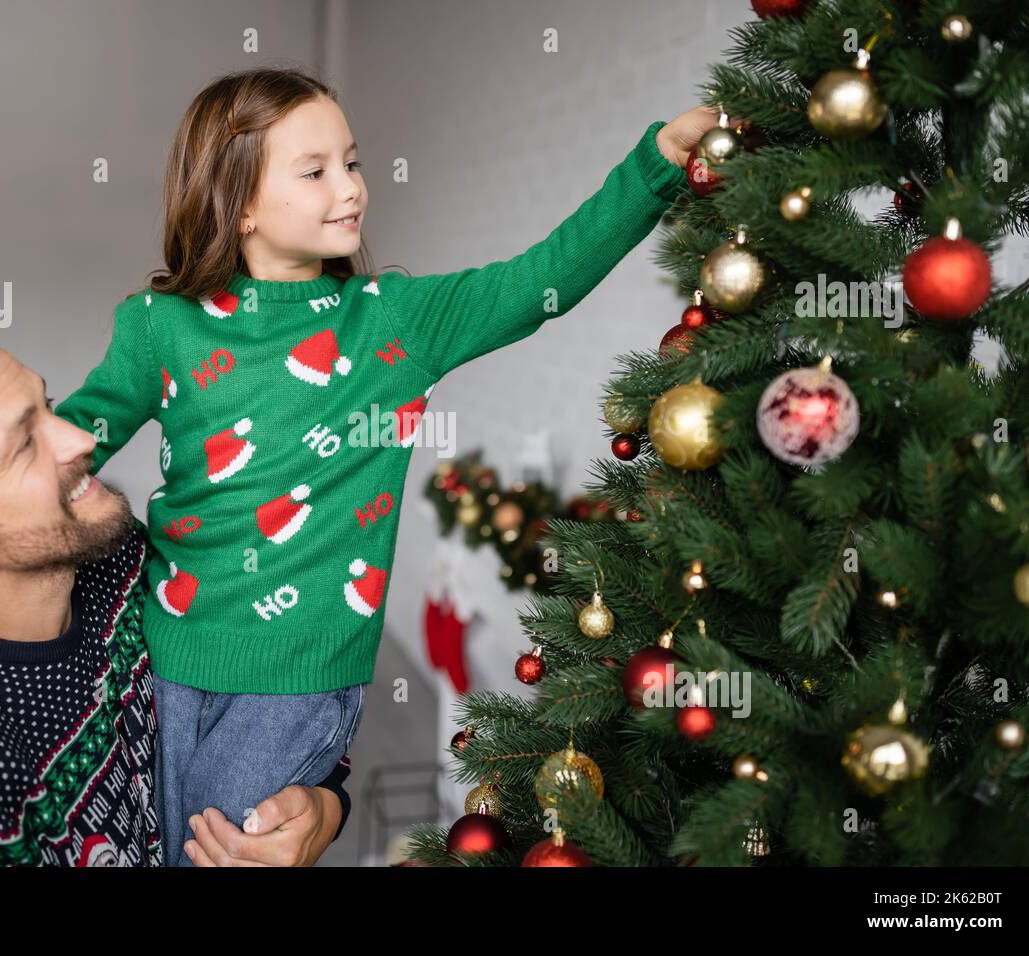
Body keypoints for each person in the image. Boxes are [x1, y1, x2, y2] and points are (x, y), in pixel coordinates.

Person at [37, 66, 721, 867]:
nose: (352, 187)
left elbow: (541, 279)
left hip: (293, 685)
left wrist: (657, 165)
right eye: (316, 171)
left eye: (353, 162)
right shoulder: (159, 327)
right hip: (155, 661)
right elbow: (63, 446)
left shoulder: (394, 321)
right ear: (240, 204)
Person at [0, 310, 350, 866]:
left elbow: (253, 688)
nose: (81, 439)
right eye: (23, 445)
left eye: (46, 406)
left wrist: (324, 811)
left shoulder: (114, 553)